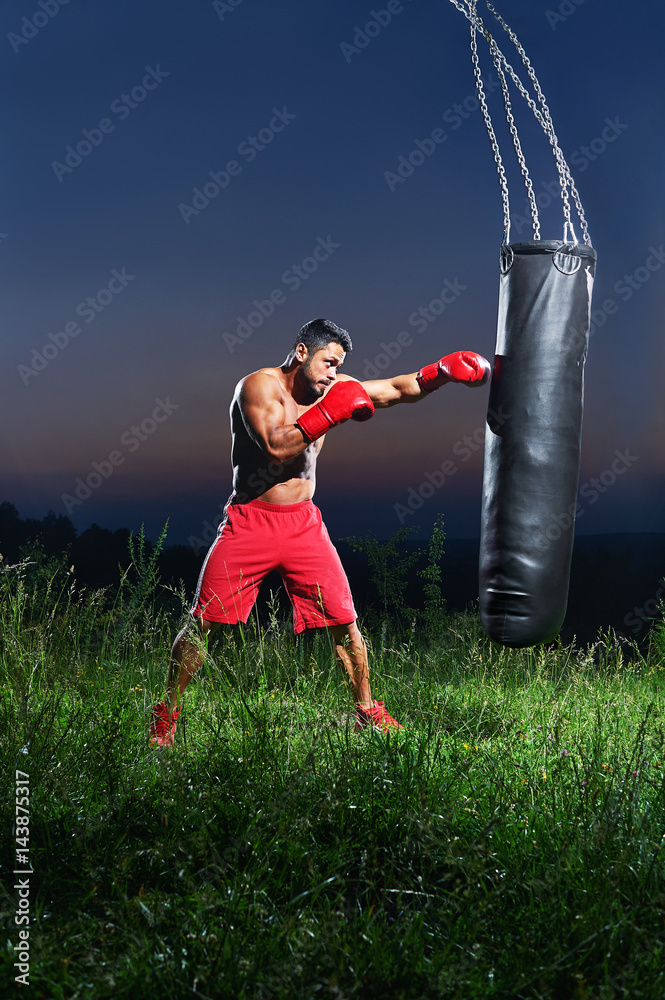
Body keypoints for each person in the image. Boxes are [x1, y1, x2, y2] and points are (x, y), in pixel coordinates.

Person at [150, 318, 490, 745]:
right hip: (250, 520)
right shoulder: (257, 388)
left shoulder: (332, 388)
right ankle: (166, 714)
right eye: (329, 363)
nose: (334, 374)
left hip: (303, 524)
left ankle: (367, 712)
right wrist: (333, 412)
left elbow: (398, 389)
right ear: (301, 353)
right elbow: (275, 446)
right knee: (204, 622)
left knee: (345, 622)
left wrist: (439, 373)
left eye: (339, 366)